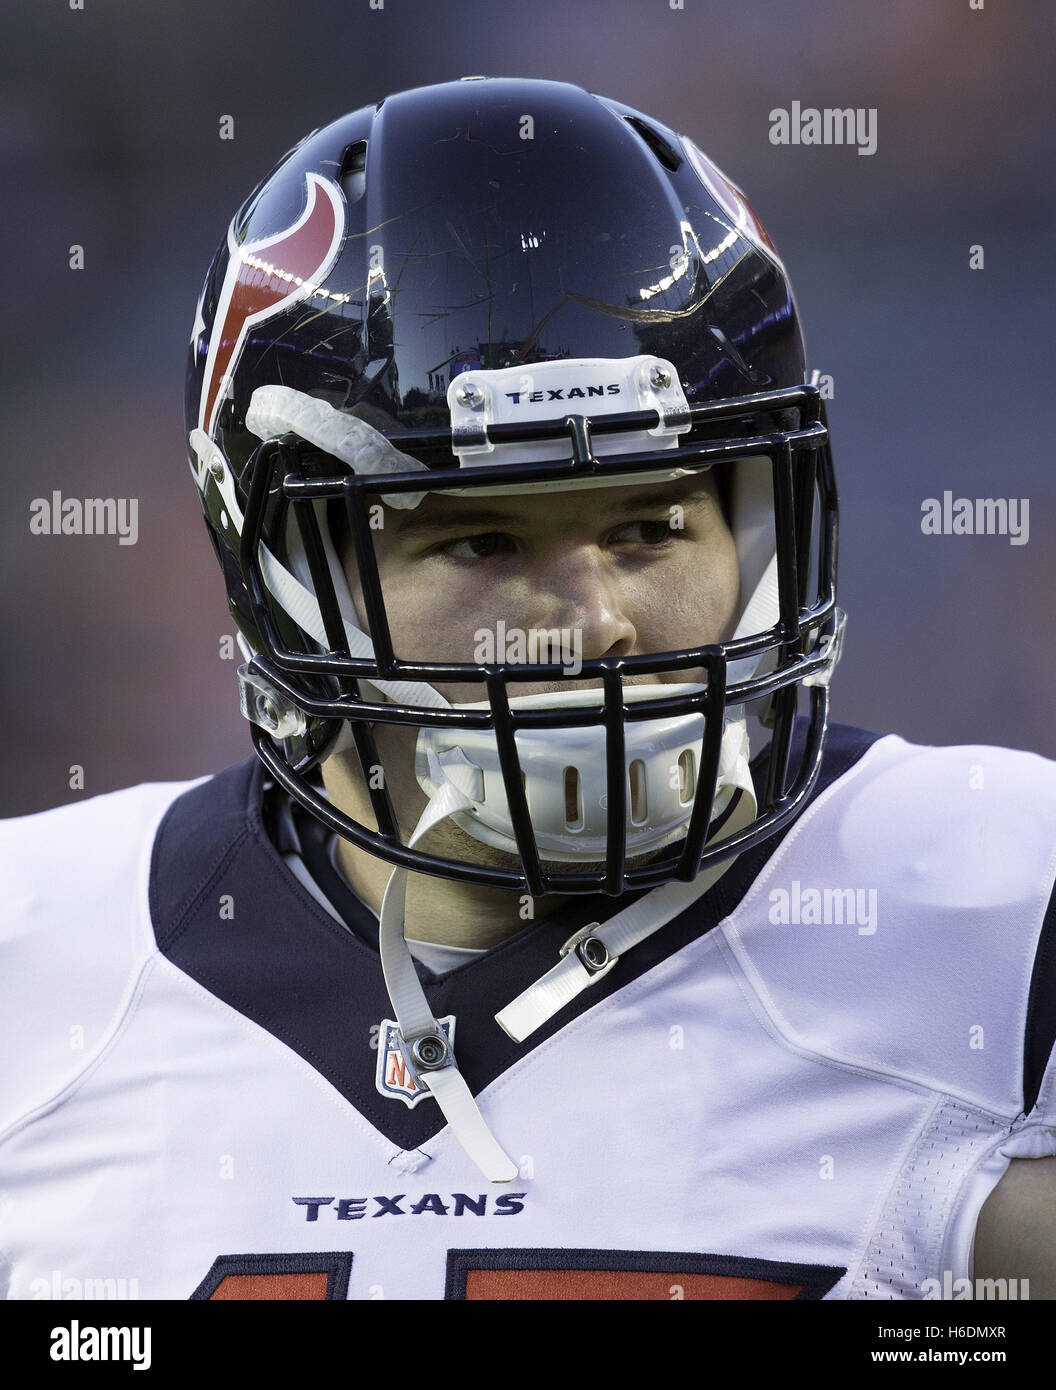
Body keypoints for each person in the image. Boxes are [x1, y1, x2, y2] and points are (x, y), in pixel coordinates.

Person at [2, 75, 1054, 1303]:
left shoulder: (989, 919)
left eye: (653, 525)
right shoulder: (40, 964)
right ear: (282, 570)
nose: (592, 622)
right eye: (483, 543)